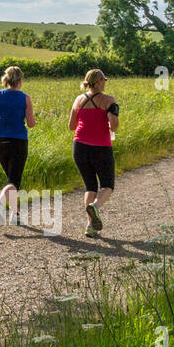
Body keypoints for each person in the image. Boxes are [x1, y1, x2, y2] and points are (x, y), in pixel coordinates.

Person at [0, 65, 35, 225]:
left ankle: (16, 215)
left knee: (11, 178)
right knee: (13, 181)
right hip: (18, 141)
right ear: (20, 80)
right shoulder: (25, 98)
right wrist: (29, 119)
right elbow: (31, 123)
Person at [69, 68, 119, 237]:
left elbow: (71, 126)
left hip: (79, 147)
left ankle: (90, 227)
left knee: (90, 186)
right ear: (98, 82)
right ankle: (95, 207)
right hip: (101, 147)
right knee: (107, 185)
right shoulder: (108, 100)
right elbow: (114, 126)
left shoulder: (78, 100)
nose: (105, 82)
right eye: (104, 79)